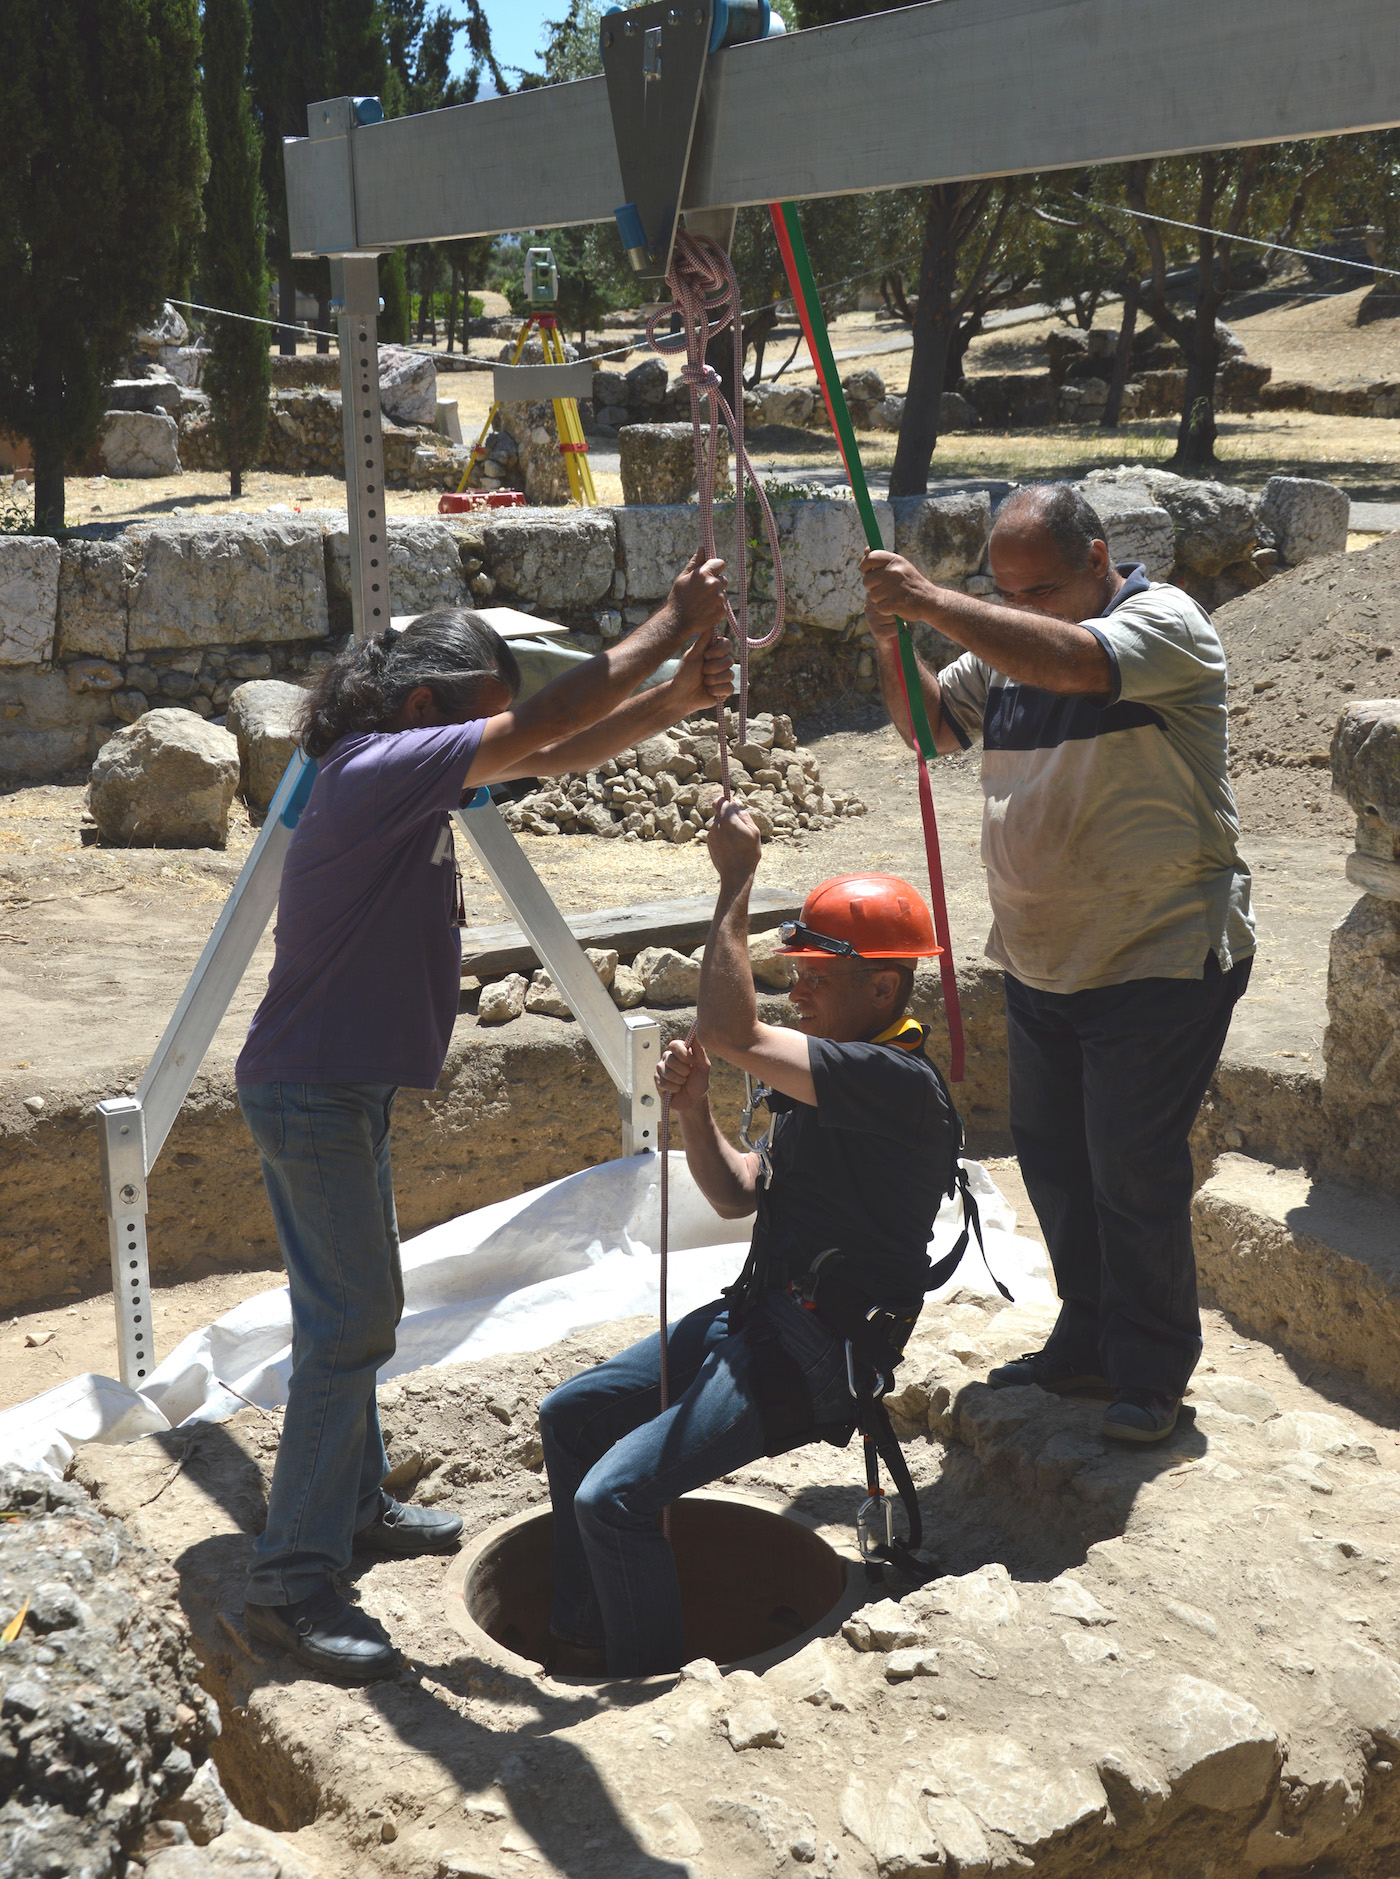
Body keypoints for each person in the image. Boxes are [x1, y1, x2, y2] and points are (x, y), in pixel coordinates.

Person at [237, 551, 733, 1683]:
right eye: (482, 719)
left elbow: (554, 746)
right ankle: (291, 1577)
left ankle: (352, 1507)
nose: (499, 736)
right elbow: (551, 717)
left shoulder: (393, 763)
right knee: (349, 1320)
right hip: (312, 1087)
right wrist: (669, 623)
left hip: (332, 1084)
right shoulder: (374, 766)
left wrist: (671, 701)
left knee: (360, 1305)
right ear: (425, 709)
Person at [859, 482, 1254, 1446]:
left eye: (1034, 590)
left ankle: (1152, 1368)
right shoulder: (1009, 653)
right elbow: (928, 728)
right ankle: (1088, 1336)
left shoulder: (1163, 625)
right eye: (1004, 590)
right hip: (1041, 960)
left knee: (1130, 1165)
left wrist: (934, 603)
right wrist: (888, 642)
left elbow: (1076, 663)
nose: (1016, 609)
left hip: (1158, 952)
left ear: (1097, 558)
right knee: (1057, 1161)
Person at [538, 804, 959, 1678]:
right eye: (794, 969)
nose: (796, 989)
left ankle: (647, 1682)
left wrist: (735, 881)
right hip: (761, 1317)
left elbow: (732, 1033)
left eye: (815, 974)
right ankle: (589, 1625)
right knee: (571, 1416)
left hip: (813, 1354)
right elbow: (735, 1194)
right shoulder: (828, 1081)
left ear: (883, 987)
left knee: (614, 1497)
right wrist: (692, 1111)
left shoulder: (894, 1082)